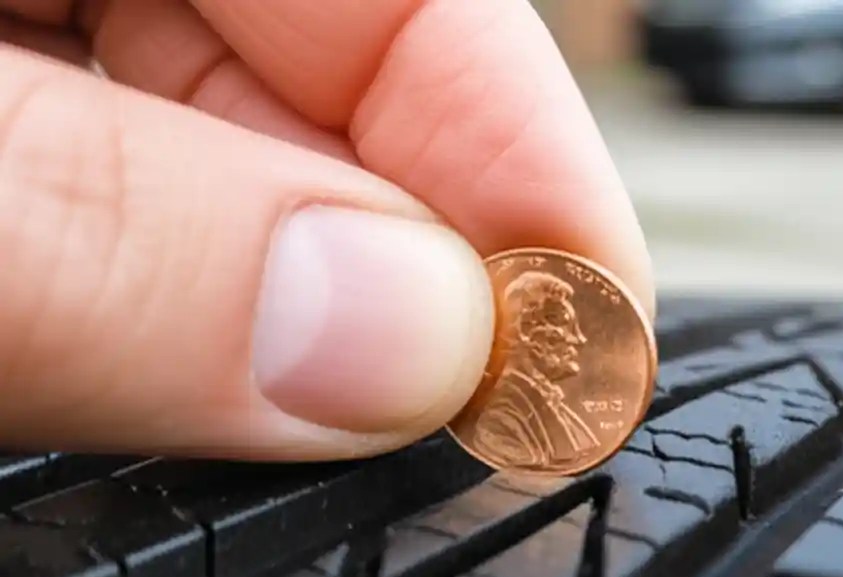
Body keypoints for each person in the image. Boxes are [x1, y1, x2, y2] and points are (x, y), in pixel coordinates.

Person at [0, 0, 653, 461]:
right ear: (530, 338)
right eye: (558, 324)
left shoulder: (546, 418)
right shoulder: (515, 416)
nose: (574, 336)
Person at [472, 271, 599, 470]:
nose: (579, 338)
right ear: (523, 331)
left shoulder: (548, 401)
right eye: (562, 322)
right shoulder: (501, 419)